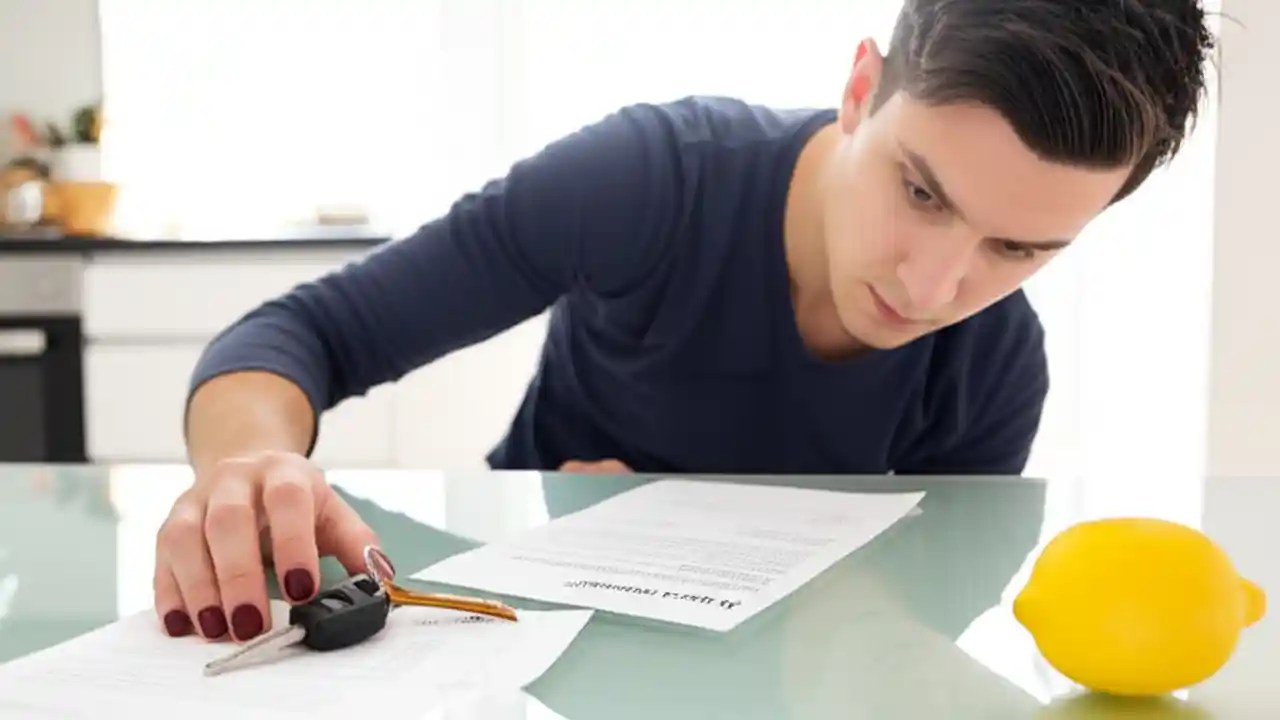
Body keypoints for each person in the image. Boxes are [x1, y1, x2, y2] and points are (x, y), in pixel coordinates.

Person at [153, 0, 1216, 642]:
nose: (932, 289)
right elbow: (299, 338)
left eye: (1016, 249)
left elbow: (891, 641)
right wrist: (250, 464)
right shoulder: (650, 180)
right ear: (860, 89)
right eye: (921, 193)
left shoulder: (992, 370)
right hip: (497, 642)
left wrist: (668, 537)